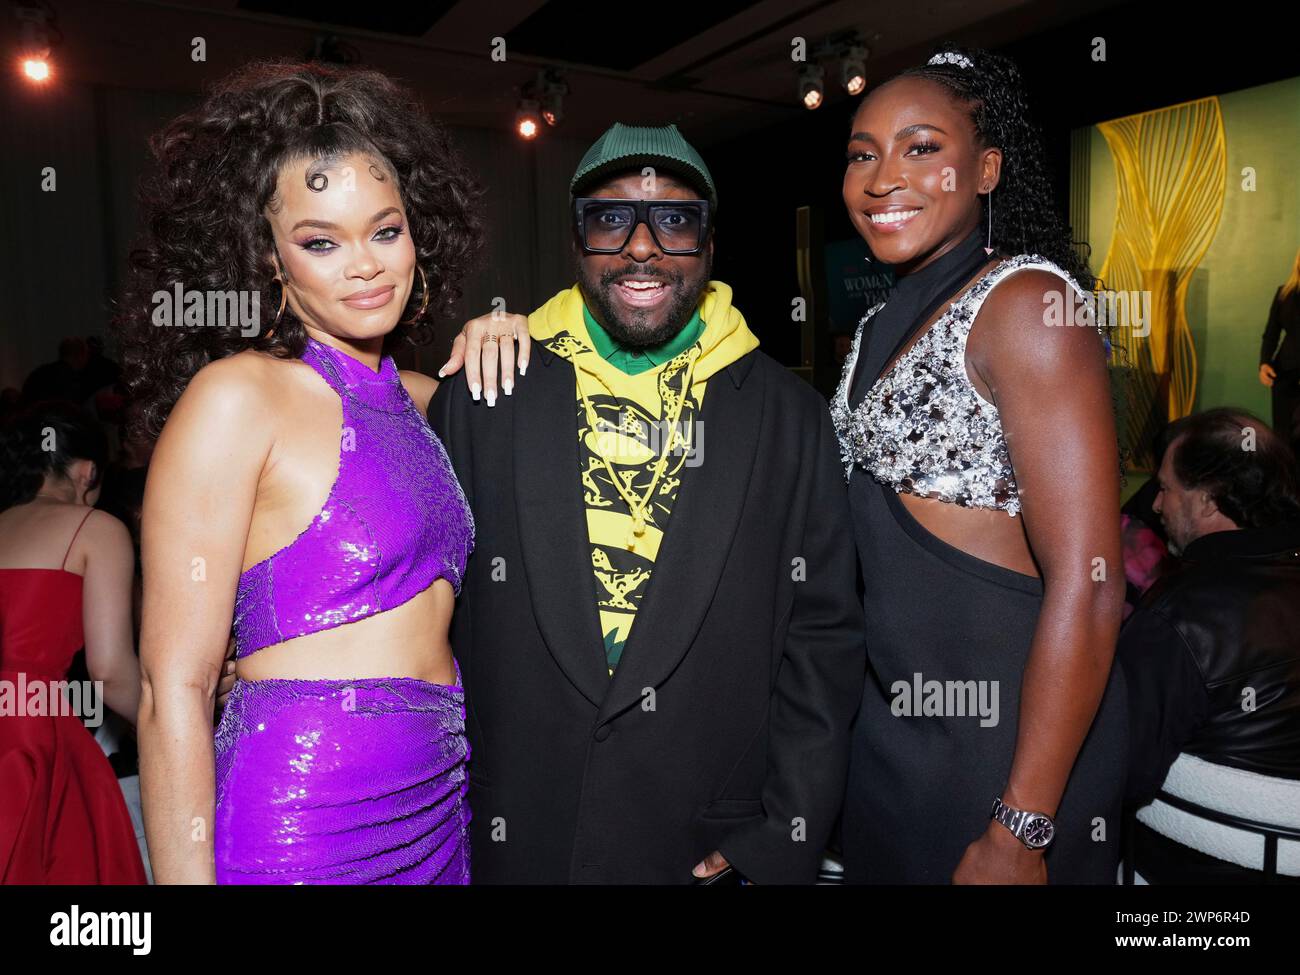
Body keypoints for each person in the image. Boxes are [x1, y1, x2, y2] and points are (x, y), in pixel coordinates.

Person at [427, 122, 866, 883]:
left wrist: (780, 835)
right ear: (577, 242)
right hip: (516, 837)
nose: (641, 246)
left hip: (700, 847)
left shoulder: (788, 417)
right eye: (610, 218)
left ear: (711, 244)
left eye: (674, 220)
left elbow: (823, 638)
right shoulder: (486, 394)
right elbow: (420, 608)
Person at [118, 61, 503, 884]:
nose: (364, 264)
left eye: (385, 230)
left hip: (442, 804)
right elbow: (170, 691)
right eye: (320, 241)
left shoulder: (435, 402)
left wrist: (515, 333)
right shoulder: (237, 398)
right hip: (304, 819)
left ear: (418, 232)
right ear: (267, 255)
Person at [830, 46, 1128, 883]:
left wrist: (1022, 824)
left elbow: (1095, 580)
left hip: (1008, 755)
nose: (883, 177)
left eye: (922, 147)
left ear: (985, 168)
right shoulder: (875, 324)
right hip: (897, 735)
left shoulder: (1028, 304)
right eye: (862, 153)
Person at [1119, 408, 1300, 883]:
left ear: (1208, 500)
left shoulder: (1181, 613)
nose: (1156, 505)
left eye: (1166, 488)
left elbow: (1118, 769)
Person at [0, 403, 146, 883]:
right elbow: (108, 671)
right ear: (87, 472)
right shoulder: (96, 529)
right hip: (33, 729)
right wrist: (163, 719)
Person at [1259, 247, 1300, 450]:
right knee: (1283, 437)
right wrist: (1264, 363)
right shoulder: (1284, 293)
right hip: (1284, 375)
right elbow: (1271, 333)